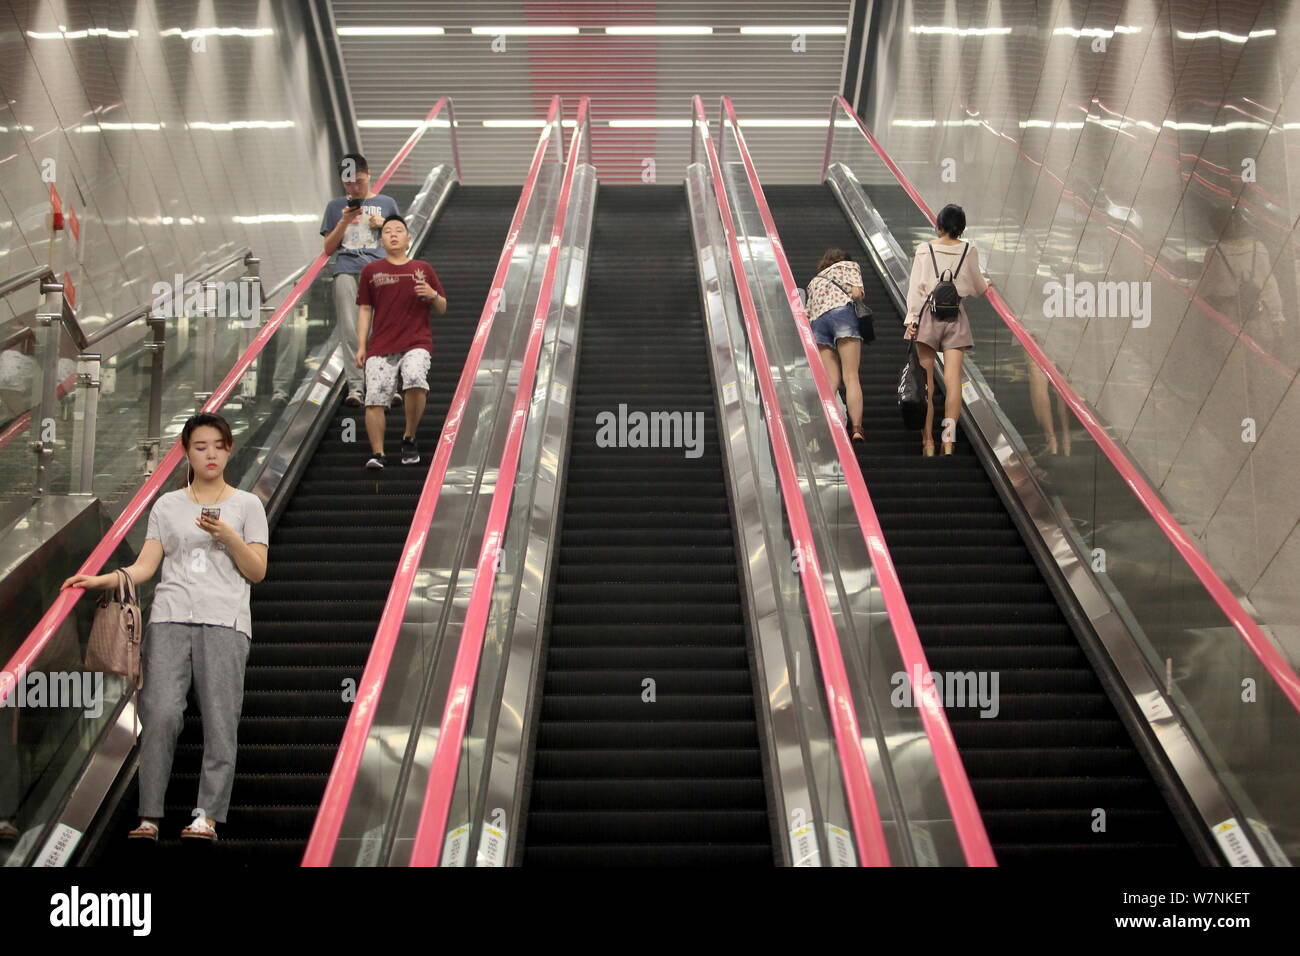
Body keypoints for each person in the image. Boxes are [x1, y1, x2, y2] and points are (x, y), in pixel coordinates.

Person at [60, 413, 269, 843]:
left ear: (229, 449)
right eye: (199, 447)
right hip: (169, 619)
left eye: (217, 445)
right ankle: (149, 816)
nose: (209, 453)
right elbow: (146, 566)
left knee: (220, 719)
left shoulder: (248, 505)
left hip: (225, 623)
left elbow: (257, 571)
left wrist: (227, 535)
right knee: (159, 714)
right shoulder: (167, 505)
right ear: (187, 453)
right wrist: (101, 579)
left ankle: (207, 816)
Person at [356, 215, 446, 468]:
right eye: (387, 231)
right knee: (374, 397)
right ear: (381, 240)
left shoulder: (423, 268)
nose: (393, 234)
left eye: (399, 230)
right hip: (381, 344)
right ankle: (378, 453)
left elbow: (442, 306)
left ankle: (409, 437)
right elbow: (365, 310)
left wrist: (433, 294)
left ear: (408, 239)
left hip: (417, 341)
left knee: (416, 378)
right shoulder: (371, 271)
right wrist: (362, 345)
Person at [312, 152, 401, 407]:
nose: (354, 187)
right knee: (350, 329)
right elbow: (328, 248)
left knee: (384, 327)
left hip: (381, 271)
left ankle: (387, 385)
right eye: (348, 183)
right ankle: (356, 387)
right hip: (346, 269)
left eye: (359, 181)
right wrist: (344, 221)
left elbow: (401, 241)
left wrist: (383, 224)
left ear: (369, 175)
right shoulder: (335, 206)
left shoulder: (386, 203)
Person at [904, 204, 990, 456]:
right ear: (961, 227)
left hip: (927, 317)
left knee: (927, 384)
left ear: (938, 225)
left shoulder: (924, 249)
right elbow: (978, 287)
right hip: (956, 316)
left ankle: (928, 442)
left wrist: (912, 319)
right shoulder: (969, 249)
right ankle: (949, 441)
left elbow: (915, 289)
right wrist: (985, 283)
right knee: (954, 383)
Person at [806, 249, 869, 440]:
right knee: (850, 376)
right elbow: (857, 293)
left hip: (819, 323)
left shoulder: (814, 281)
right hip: (843, 316)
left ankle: (819, 426)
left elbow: (808, 311)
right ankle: (857, 429)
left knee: (830, 380)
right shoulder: (849, 266)